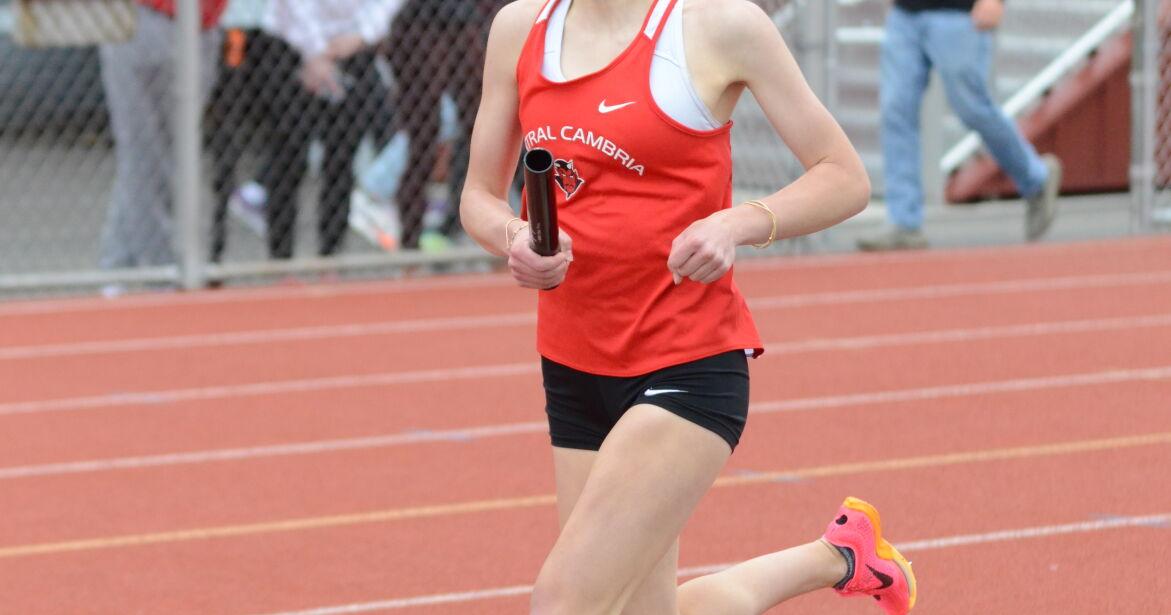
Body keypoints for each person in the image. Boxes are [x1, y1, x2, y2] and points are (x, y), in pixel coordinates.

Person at [461, 0, 918, 614]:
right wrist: (513, 237)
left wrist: (736, 224)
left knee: (563, 602)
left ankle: (839, 558)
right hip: (574, 364)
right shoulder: (520, 29)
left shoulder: (718, 25)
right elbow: (478, 195)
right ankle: (838, 558)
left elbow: (844, 176)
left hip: (685, 363)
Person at [858, 0, 1063, 251]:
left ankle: (1036, 178)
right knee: (895, 111)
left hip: (960, 14)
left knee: (972, 108)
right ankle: (904, 222)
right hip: (904, 15)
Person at [248, 0, 401, 259]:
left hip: (352, 47)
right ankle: (281, 260)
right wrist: (315, 52)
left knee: (342, 160)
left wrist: (361, 35)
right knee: (288, 157)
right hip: (292, 45)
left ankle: (331, 257)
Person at [98, 0, 226, 275]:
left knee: (167, 154)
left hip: (203, 27)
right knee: (145, 152)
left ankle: (118, 267)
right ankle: (156, 266)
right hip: (148, 19)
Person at [387, 0, 505, 250]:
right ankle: (409, 245)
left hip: (464, 22)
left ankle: (496, 233)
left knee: (489, 133)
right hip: (417, 26)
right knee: (422, 141)